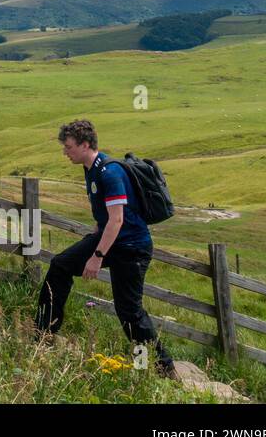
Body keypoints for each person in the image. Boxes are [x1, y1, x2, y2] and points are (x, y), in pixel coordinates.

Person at [36, 119, 174, 373]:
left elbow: (118, 219)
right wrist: (97, 235)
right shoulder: (91, 169)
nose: (65, 152)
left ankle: (161, 367)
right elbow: (108, 217)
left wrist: (97, 256)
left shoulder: (109, 173)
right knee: (60, 265)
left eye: (68, 147)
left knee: (129, 311)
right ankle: (42, 334)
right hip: (110, 238)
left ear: (85, 144)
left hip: (131, 247)